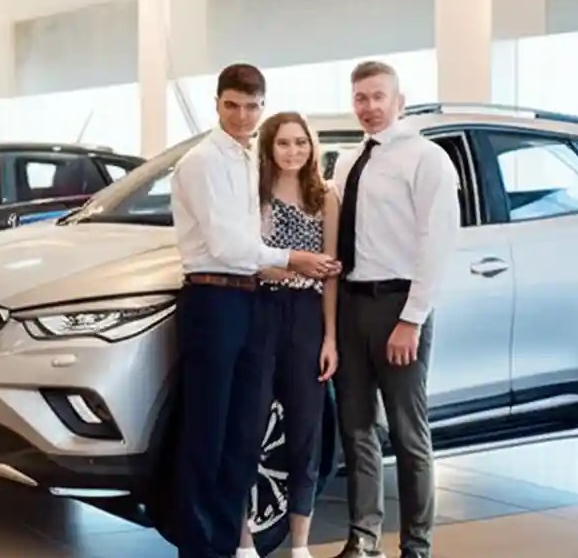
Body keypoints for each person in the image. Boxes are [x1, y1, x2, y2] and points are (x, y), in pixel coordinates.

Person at [170, 63, 340, 558]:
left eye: (251, 106)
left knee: (239, 436)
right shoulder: (202, 161)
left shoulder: (247, 161)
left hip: (246, 299)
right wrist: (291, 259)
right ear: (217, 104)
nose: (242, 115)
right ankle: (200, 550)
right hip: (212, 298)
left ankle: (227, 545)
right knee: (206, 432)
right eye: (232, 105)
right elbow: (226, 244)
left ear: (260, 107)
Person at [329, 61, 460, 558]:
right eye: (360, 97)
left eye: (378, 96)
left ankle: (416, 545)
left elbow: (439, 242)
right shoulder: (347, 161)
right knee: (356, 427)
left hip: (397, 308)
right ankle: (363, 540)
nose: (369, 106)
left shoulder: (426, 159)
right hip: (353, 306)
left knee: (407, 432)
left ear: (399, 100)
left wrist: (412, 318)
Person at [235, 112, 341, 558]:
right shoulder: (251, 194)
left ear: (311, 147)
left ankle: (300, 545)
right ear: (269, 148)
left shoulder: (325, 197)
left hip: (307, 316)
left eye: (301, 143)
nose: (293, 151)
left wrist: (330, 337)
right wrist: (294, 262)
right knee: (247, 428)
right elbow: (246, 260)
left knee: (305, 431)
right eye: (283, 143)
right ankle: (244, 542)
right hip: (260, 310)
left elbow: (330, 271)